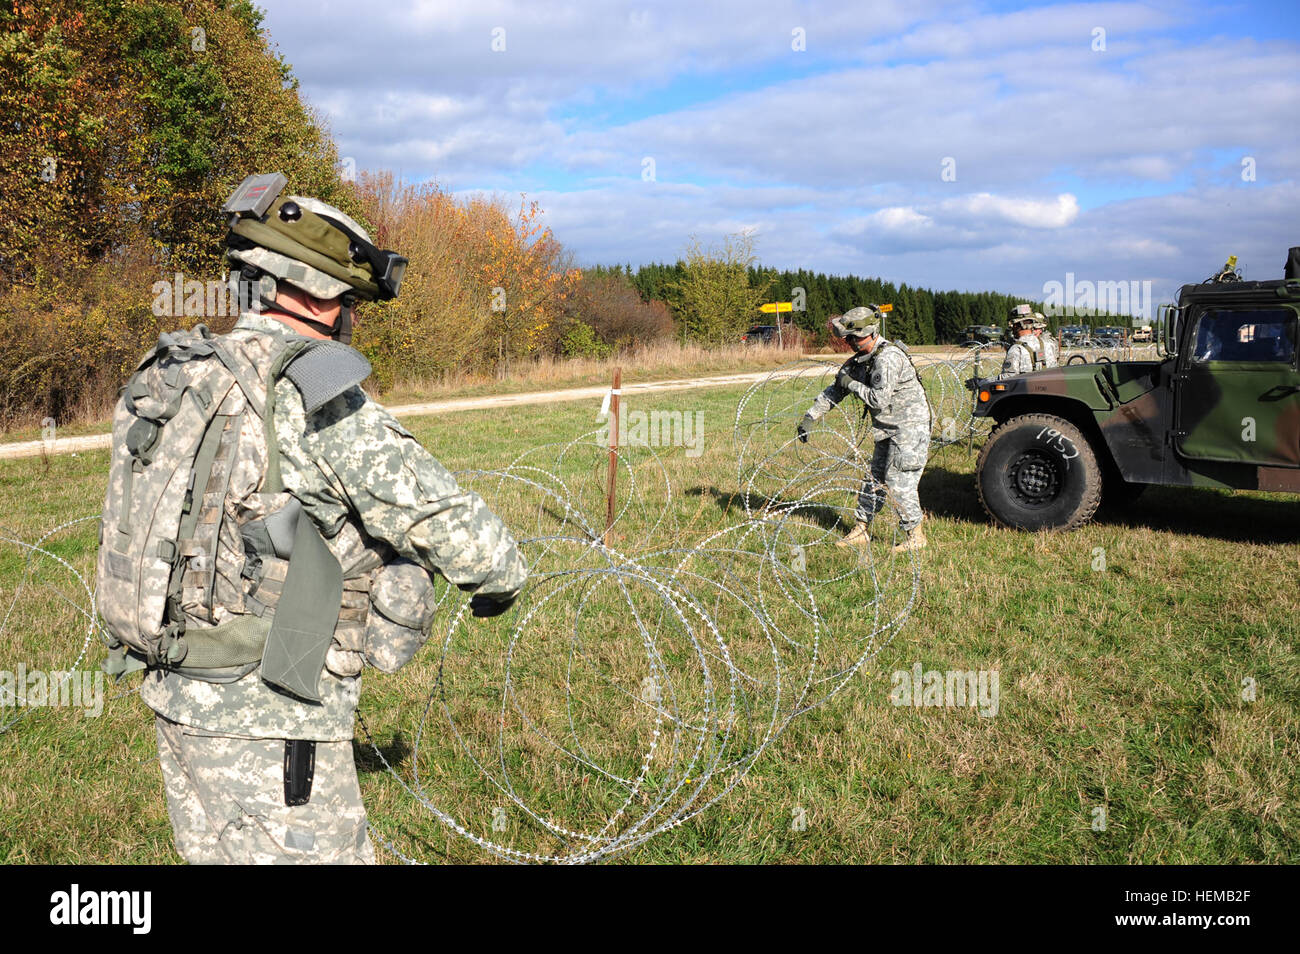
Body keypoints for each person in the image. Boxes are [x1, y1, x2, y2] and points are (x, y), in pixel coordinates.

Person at [99, 173, 527, 863]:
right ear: (318, 294)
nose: (350, 316)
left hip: (178, 693)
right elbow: (477, 546)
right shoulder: (310, 392)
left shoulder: (184, 372)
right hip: (274, 715)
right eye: (349, 298)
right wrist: (500, 581)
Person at [796, 305, 931, 551]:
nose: (851, 343)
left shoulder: (888, 358)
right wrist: (810, 417)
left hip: (910, 427)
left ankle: (916, 536)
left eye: (856, 338)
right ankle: (860, 530)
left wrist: (853, 385)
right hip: (886, 427)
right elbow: (835, 389)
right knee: (874, 478)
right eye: (849, 339)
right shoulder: (860, 360)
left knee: (899, 481)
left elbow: (878, 399)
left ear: (870, 333)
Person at [1000, 305, 1041, 377]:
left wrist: (982, 382)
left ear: (1016, 325)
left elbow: (1007, 378)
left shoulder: (1016, 349)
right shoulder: (1047, 344)